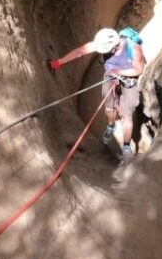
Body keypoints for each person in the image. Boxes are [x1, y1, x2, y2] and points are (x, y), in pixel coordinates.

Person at [48, 28, 145, 161]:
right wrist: (58, 63)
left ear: (115, 45)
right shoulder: (102, 43)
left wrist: (119, 72)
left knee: (126, 115)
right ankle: (111, 125)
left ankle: (127, 146)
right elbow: (80, 52)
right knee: (109, 108)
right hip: (111, 75)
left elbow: (138, 70)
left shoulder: (133, 49)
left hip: (128, 79)